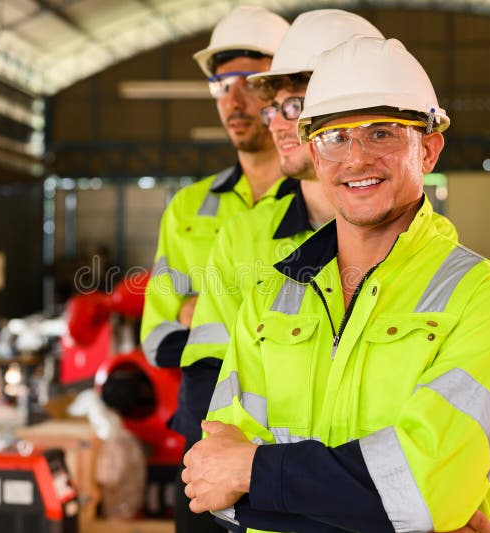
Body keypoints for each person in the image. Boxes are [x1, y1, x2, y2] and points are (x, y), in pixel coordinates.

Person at [182, 36, 490, 533]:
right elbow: (213, 483)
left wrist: (253, 472)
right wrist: (390, 512)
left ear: (429, 150)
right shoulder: (268, 297)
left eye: (382, 134)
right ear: (313, 154)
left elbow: (422, 490)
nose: (357, 159)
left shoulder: (488, 301)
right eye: (335, 138)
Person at [139, 6, 290, 532]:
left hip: (296, 438)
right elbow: (159, 337)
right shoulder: (188, 208)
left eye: (252, 81)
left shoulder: (328, 204)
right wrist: (267, 319)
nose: (234, 98)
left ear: (288, 89)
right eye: (222, 84)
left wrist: (208, 311)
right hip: (203, 435)